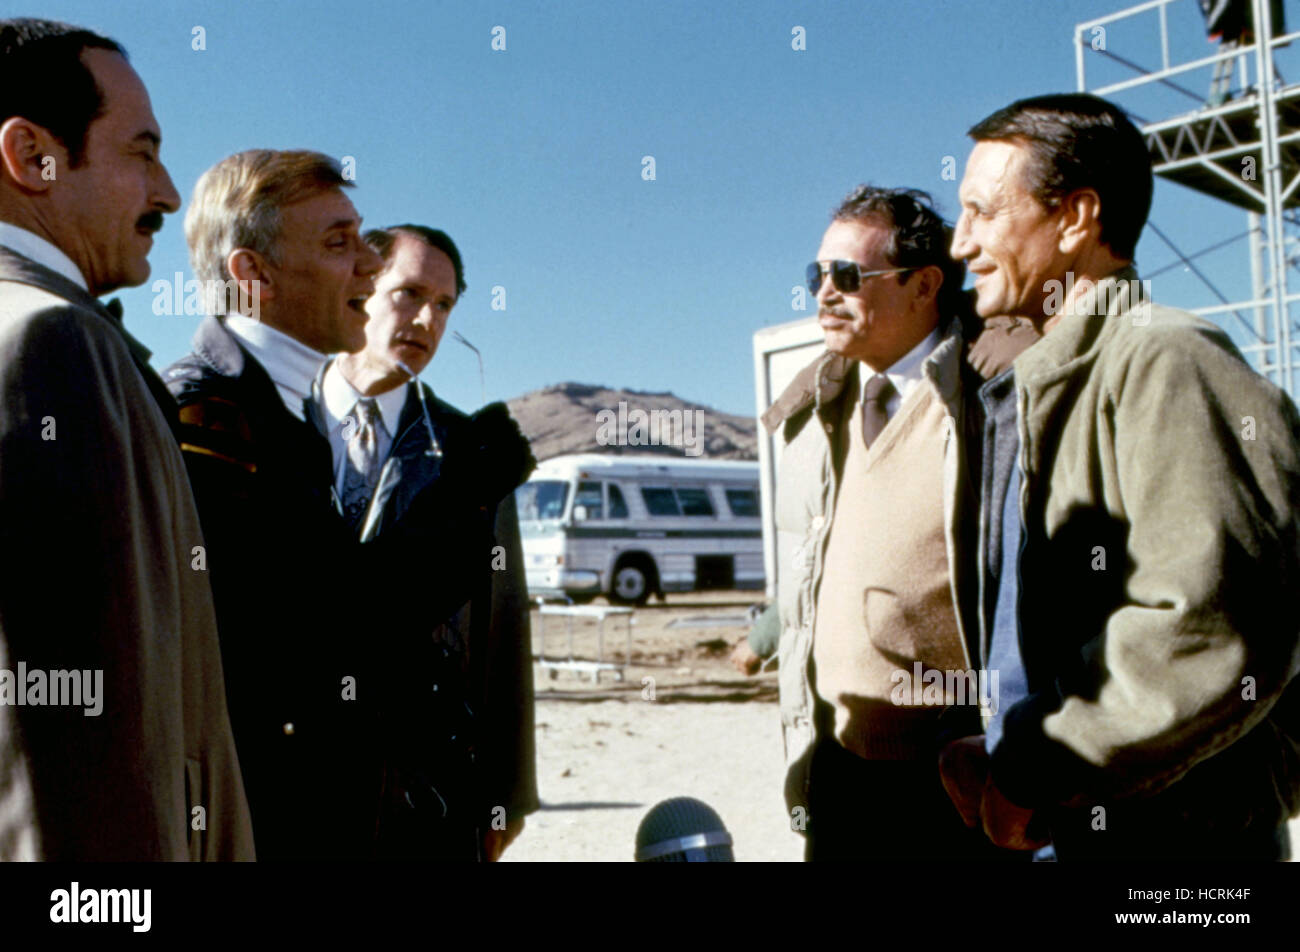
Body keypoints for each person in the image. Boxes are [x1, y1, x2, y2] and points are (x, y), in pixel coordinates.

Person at [942, 92, 1300, 860]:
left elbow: (1209, 627)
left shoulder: (1167, 361)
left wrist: (1040, 763)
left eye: (981, 212)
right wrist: (1008, 745)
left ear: (1075, 218)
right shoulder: (1049, 383)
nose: (959, 242)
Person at [164, 151, 534, 860]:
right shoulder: (214, 416)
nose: (365, 265)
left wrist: (503, 790)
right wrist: (455, 510)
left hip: (408, 801)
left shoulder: (279, 411)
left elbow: (498, 634)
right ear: (253, 274)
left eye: (364, 240)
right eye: (340, 244)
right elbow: (304, 641)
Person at [0, 18, 253, 860]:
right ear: (32, 157)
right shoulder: (49, 347)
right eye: (141, 152)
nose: (170, 192)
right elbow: (77, 751)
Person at [762, 185, 1027, 860]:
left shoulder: (992, 392)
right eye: (816, 275)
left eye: (848, 276)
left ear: (924, 284)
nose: (823, 292)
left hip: (953, 773)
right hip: (839, 765)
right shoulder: (815, 411)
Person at [305, 224, 537, 860]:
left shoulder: (475, 452)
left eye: (445, 305)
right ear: (361, 286)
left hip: (421, 783)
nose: (427, 320)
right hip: (290, 771)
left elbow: (502, 629)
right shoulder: (274, 419)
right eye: (409, 294)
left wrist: (507, 794)